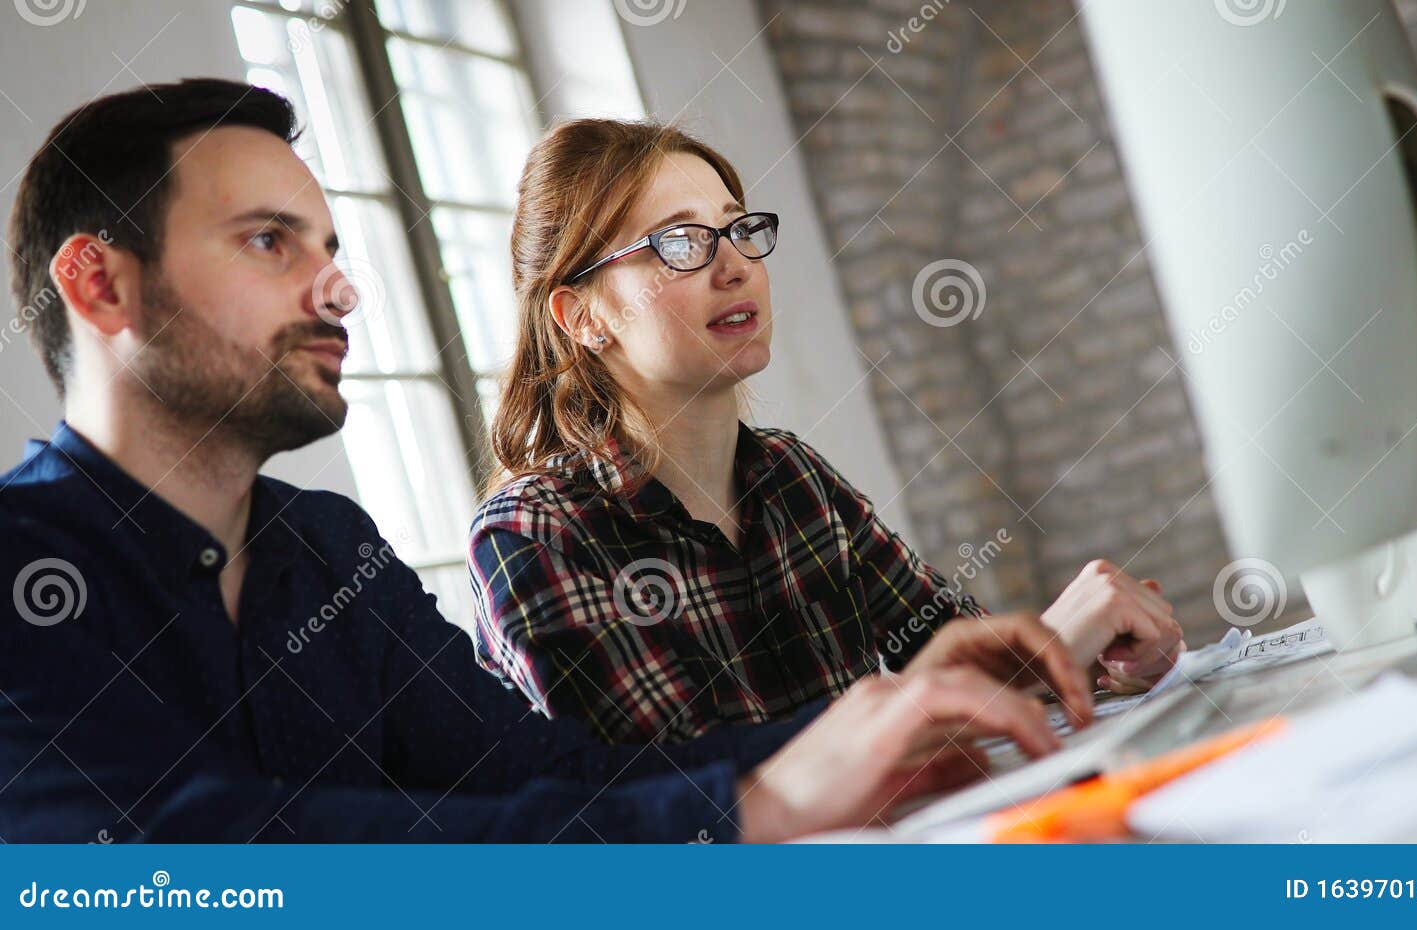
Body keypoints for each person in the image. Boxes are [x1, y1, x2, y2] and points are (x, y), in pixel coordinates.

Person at [0, 78, 1134, 844]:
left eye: (332, 247)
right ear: (102, 282)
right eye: (268, 241)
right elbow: (193, 855)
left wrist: (903, 709)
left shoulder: (325, 551)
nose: (338, 286)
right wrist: (758, 798)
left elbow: (550, 782)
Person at [469, 118, 1187, 745]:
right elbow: (691, 796)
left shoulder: (793, 476)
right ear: (583, 317)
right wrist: (925, 703)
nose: (735, 266)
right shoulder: (534, 536)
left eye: (738, 228)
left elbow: (973, 672)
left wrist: (1094, 658)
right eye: (680, 243)